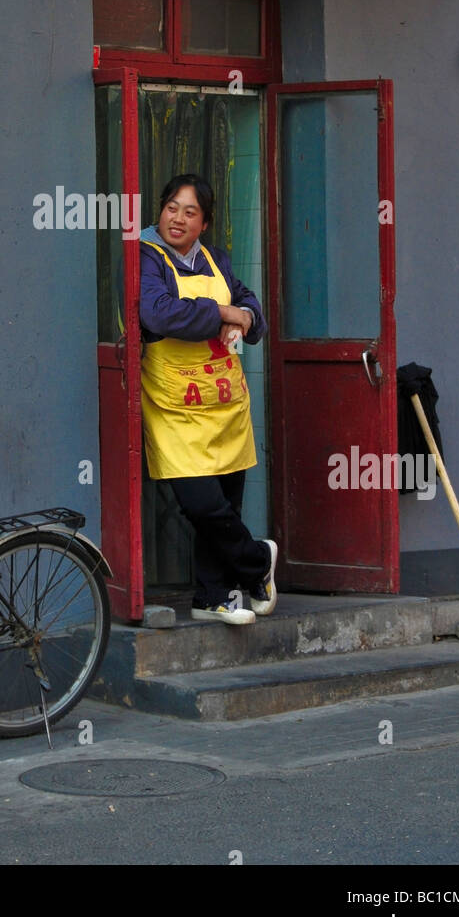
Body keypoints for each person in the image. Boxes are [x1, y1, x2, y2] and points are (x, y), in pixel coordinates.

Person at [139, 173, 277, 626]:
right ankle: (258, 562)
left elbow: (253, 312)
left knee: (225, 506)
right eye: (171, 207)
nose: (177, 218)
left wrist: (246, 317)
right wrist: (221, 312)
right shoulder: (146, 255)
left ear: (205, 223)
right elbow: (158, 312)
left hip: (224, 400)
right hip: (174, 404)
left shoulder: (217, 259)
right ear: (159, 210)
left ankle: (213, 595)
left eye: (190, 211)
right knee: (202, 503)